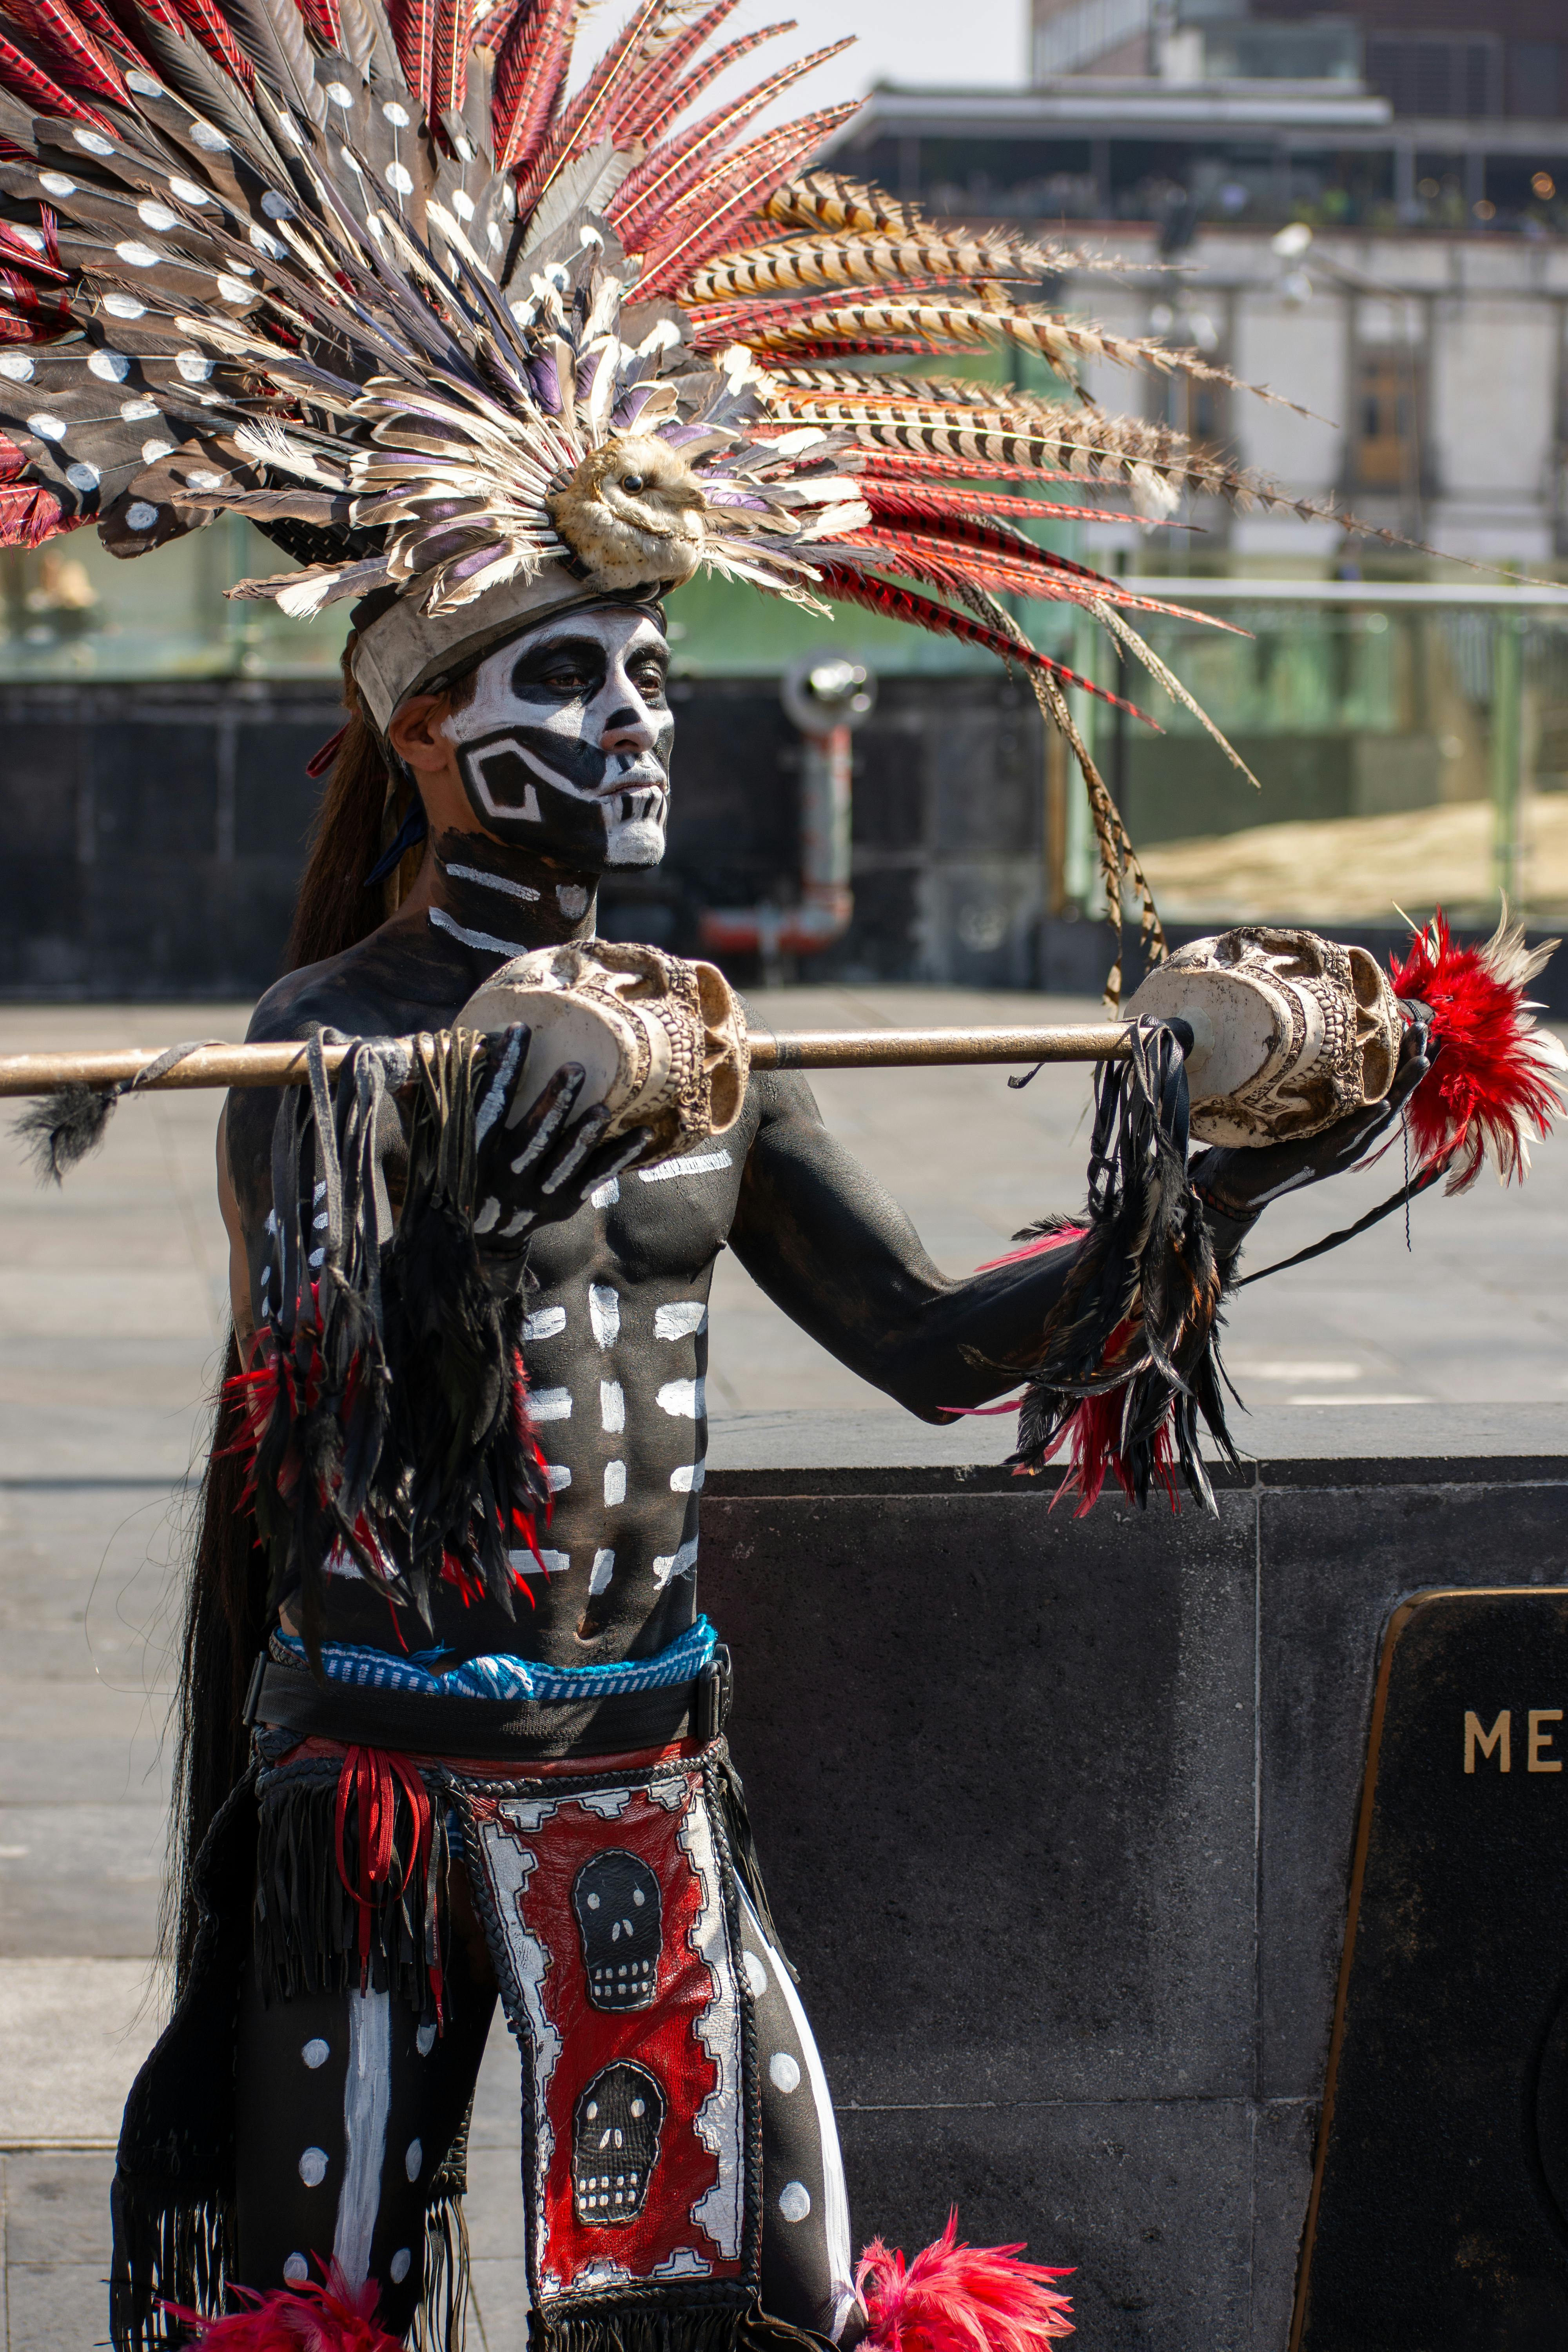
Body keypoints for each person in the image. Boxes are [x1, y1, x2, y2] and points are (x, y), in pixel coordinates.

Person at [0, 1, 1522, 2344]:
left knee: (759, 2296)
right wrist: (476, 1158)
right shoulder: (328, 1042)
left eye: (649, 671)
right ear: (426, 728)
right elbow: (328, 1414)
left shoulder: (706, 1031)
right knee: (318, 2303)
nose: (634, 723)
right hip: (378, 1797)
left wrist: (1211, 1169)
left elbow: (937, 1348)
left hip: (641, 1772)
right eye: (569, 681)